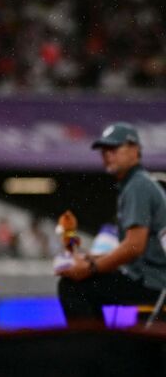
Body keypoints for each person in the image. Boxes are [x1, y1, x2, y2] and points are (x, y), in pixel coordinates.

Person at [57, 122, 166, 326]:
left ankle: (93, 350)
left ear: (135, 150)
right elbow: (140, 248)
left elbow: (134, 247)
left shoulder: (138, 186)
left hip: (153, 282)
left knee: (72, 286)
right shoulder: (138, 183)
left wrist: (90, 268)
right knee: (83, 283)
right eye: (104, 150)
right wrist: (92, 258)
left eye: (114, 148)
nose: (107, 154)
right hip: (152, 277)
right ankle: (99, 346)